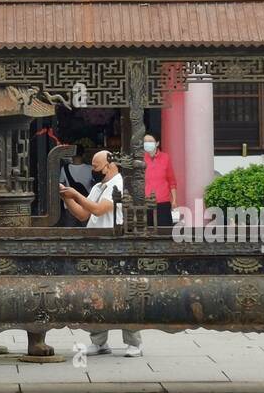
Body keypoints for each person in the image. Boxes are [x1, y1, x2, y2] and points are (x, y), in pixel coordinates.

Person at [59, 150, 143, 357]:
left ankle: (134, 343)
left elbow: (98, 210)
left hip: (116, 245)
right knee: (95, 293)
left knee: (124, 293)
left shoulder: (119, 185)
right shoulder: (98, 186)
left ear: (110, 164)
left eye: (97, 167)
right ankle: (98, 341)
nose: (94, 170)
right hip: (96, 244)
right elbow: (83, 214)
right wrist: (67, 197)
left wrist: (76, 194)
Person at [143, 134, 179, 228]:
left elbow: (171, 180)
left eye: (150, 141)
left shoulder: (165, 158)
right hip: (145, 202)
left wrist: (174, 199)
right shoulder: (141, 159)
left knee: (164, 231)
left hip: (163, 202)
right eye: (145, 141)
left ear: (157, 143)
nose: (147, 143)